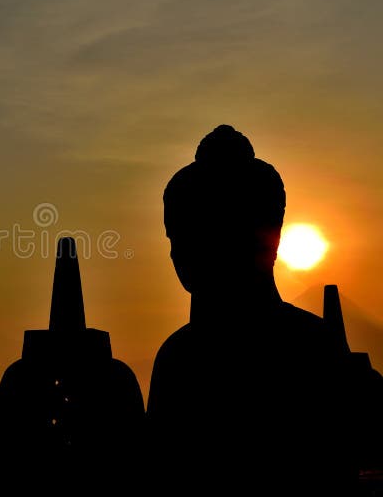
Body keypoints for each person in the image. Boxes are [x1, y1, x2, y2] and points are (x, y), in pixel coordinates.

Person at [148, 125, 353, 494]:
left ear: (268, 239)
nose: (179, 252)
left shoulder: (310, 349)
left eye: (201, 235)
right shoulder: (178, 358)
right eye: (175, 236)